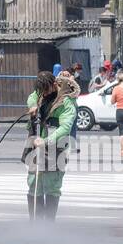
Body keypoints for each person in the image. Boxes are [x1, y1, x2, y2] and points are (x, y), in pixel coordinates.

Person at [25, 70, 79, 220]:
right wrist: (32, 106)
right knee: (33, 183)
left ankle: (48, 225)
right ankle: (34, 223)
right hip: (35, 144)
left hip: (56, 148)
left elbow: (65, 127)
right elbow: (31, 97)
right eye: (40, 90)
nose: (43, 93)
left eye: (46, 89)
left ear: (54, 84)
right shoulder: (40, 93)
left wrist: (46, 141)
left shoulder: (66, 102)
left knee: (52, 185)